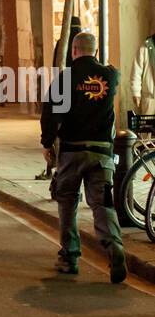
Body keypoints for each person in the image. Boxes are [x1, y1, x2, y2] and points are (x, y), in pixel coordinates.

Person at [40, 30, 126, 283]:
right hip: (102, 151)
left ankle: (70, 256)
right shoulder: (110, 76)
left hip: (72, 150)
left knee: (67, 200)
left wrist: (47, 143)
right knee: (102, 204)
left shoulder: (66, 79)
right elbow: (112, 73)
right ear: (96, 51)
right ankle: (113, 247)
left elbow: (50, 112)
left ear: (73, 51)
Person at [129, 29, 155, 115]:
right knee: (148, 127)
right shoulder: (146, 47)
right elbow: (136, 71)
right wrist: (136, 92)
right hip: (150, 98)